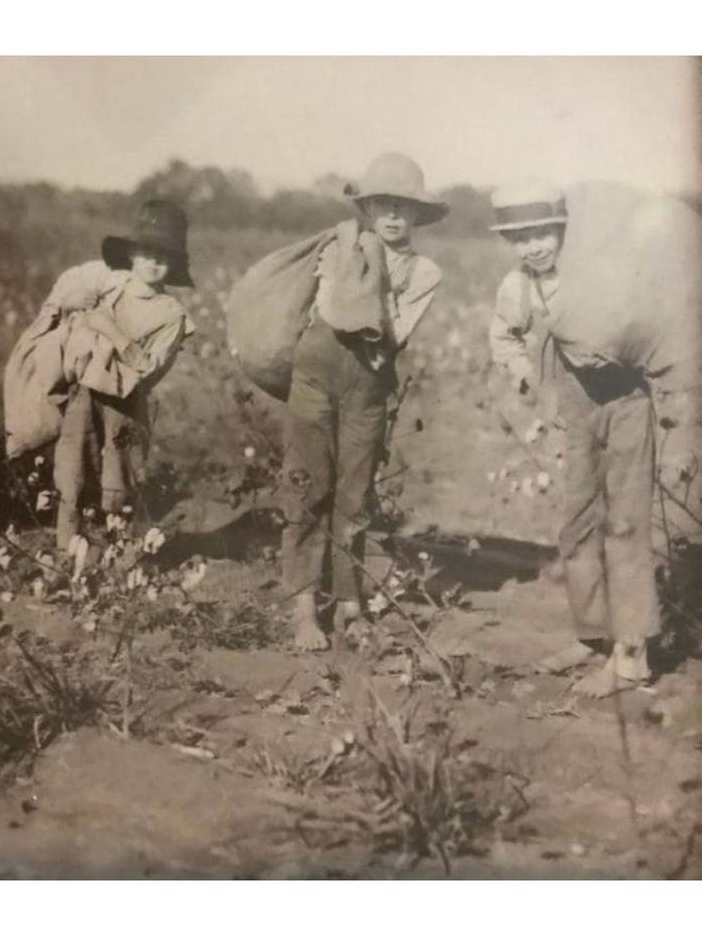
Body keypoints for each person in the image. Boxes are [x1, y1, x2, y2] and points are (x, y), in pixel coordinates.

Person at [488, 183, 658, 697]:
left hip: (627, 403)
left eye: (542, 233)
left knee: (626, 523)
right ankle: (593, 637)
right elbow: (503, 334)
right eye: (519, 238)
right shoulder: (517, 288)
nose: (533, 246)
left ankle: (632, 658)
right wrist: (527, 376)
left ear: (562, 232)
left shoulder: (597, 274)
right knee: (578, 522)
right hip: (573, 409)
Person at [281, 153, 447, 651]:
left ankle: (350, 605)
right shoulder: (340, 246)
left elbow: (395, 333)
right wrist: (363, 277)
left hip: (368, 383)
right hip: (316, 371)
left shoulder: (424, 271)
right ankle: (305, 606)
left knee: (354, 495)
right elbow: (330, 309)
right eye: (383, 205)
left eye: (404, 207)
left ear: (418, 215)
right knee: (308, 486)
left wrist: (370, 290)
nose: (393, 216)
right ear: (368, 209)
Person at [21, 200, 195, 549]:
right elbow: (70, 306)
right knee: (72, 471)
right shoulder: (110, 285)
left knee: (120, 478)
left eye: (163, 255)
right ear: (131, 254)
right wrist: (83, 317)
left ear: (173, 263)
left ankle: (119, 552)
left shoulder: (171, 315)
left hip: (126, 404)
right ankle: (69, 552)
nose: (153, 261)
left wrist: (111, 333)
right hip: (84, 393)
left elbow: (147, 369)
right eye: (146, 251)